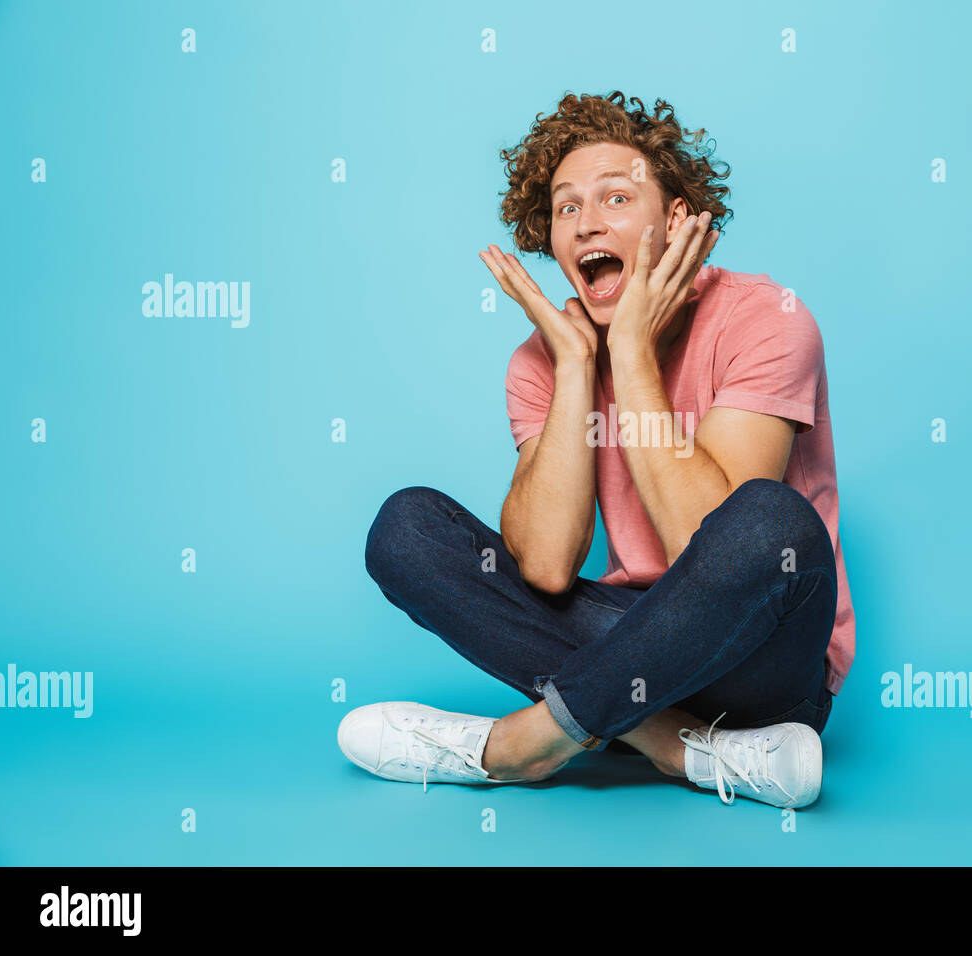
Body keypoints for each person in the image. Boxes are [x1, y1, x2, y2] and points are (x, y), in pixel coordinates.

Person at [339, 91, 854, 808]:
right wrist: (580, 366)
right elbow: (547, 568)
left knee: (771, 520)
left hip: (759, 663)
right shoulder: (542, 362)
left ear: (674, 219)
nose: (587, 226)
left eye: (616, 197)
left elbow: (708, 542)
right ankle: (677, 747)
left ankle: (513, 747)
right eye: (566, 207)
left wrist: (633, 352)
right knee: (407, 530)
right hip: (630, 639)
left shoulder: (768, 319)